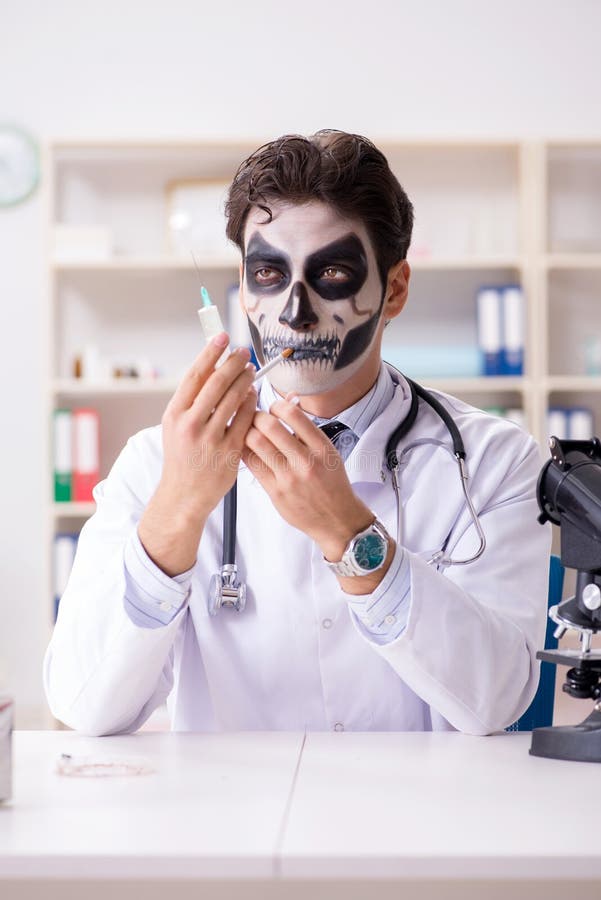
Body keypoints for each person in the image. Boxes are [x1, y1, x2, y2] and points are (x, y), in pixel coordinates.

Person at [44, 130, 551, 736]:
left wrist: (350, 533)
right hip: (235, 823)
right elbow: (81, 705)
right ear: (243, 288)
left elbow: (498, 700)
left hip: (418, 823)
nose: (294, 312)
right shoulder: (158, 461)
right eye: (268, 272)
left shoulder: (494, 461)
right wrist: (177, 510)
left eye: (333, 271)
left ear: (394, 289)